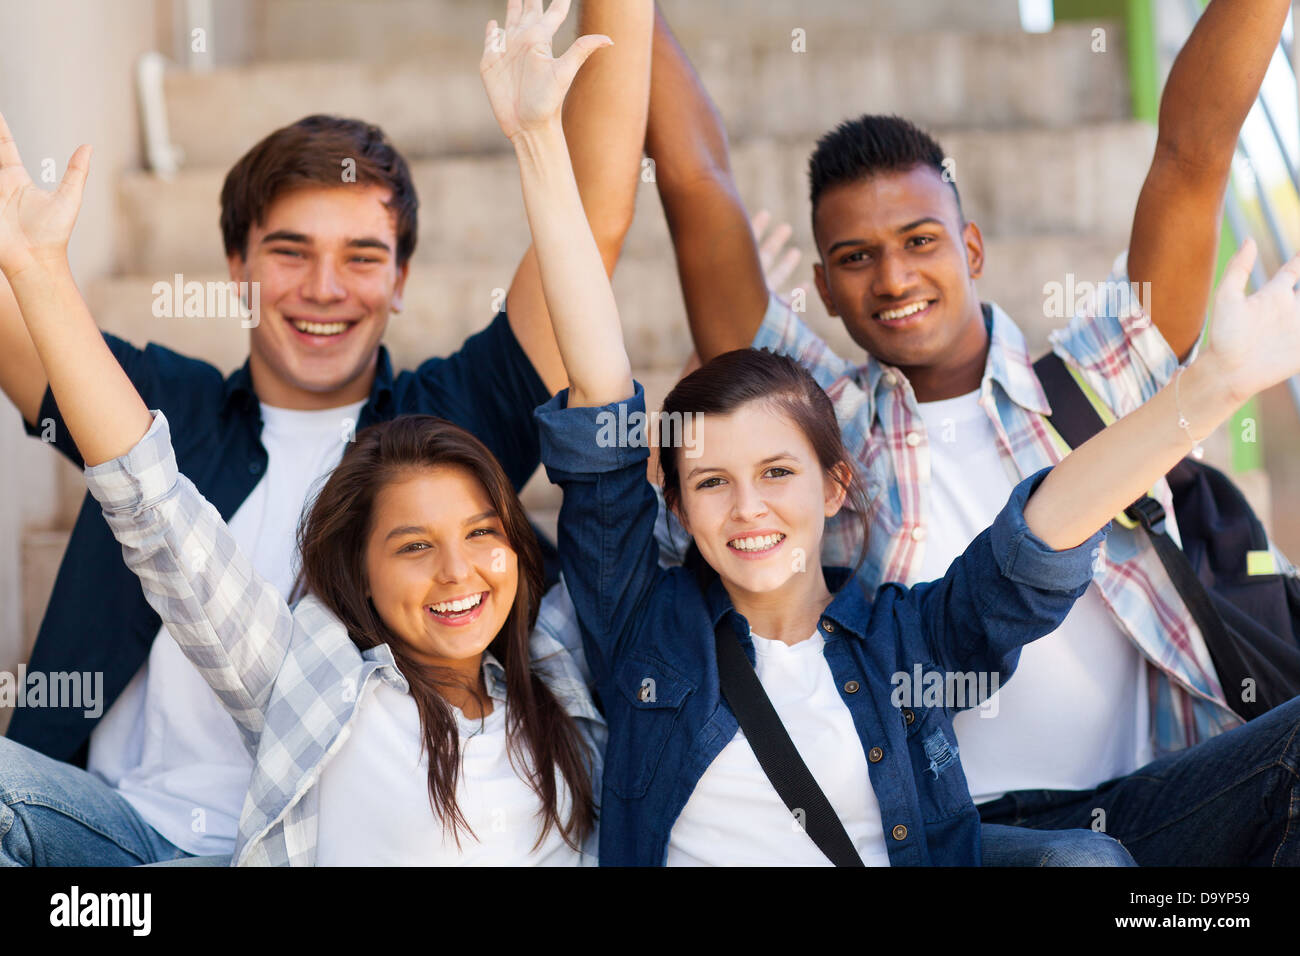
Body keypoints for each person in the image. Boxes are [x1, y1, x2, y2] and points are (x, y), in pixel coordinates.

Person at [479, 0, 1300, 865]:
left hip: (1161, 787)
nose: (895, 275)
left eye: (919, 239)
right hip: (962, 828)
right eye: (856, 257)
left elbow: (1192, 155)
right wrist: (568, 92)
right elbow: (693, 185)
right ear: (823, 290)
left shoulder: (1095, 382)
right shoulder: (815, 422)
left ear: (972, 247)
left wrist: (1211, 388)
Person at [0, 0, 651, 866]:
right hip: (123, 832)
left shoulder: (447, 429)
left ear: (403, 277)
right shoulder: (160, 404)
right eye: (290, 251)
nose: (324, 287)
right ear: (237, 267)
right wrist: (33, 259)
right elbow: (38, 331)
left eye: (362, 256)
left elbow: (597, 215)